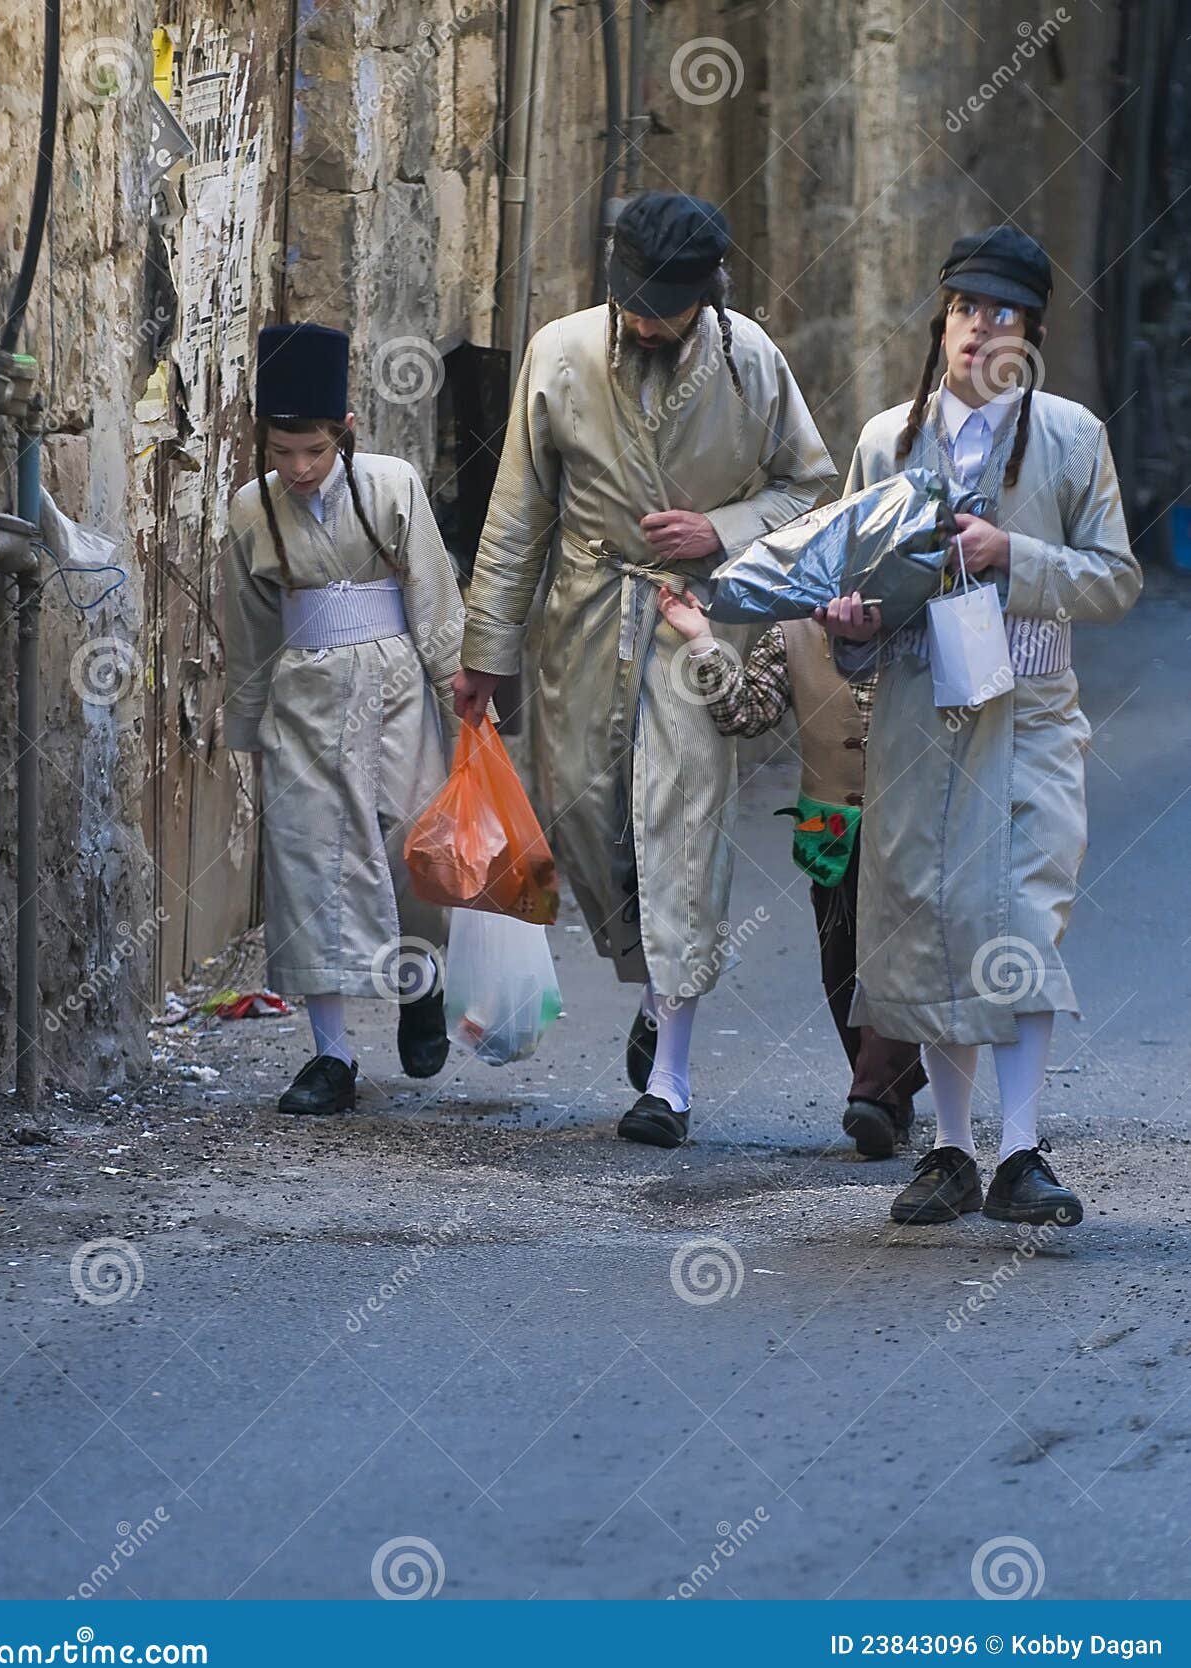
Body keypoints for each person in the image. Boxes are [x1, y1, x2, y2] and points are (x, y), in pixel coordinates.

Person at [453, 192, 834, 1148]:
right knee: (582, 816)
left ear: (707, 296)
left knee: (678, 822)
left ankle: (670, 1073)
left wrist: (721, 530)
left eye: (660, 306)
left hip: (697, 620)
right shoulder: (560, 352)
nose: (640, 320)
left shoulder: (754, 366)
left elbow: (807, 490)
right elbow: (516, 514)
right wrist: (484, 656)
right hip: (581, 616)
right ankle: (651, 978)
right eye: (630, 301)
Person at [818, 226, 1141, 1225]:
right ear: (941, 324)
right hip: (919, 715)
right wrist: (856, 626)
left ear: (1029, 333)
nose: (978, 329)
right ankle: (952, 1153)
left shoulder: (1073, 439)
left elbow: (1115, 577)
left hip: (1032, 713)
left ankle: (1022, 1149)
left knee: (1024, 920)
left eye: (999, 313)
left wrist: (1016, 554)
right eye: (964, 310)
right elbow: (846, 582)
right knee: (930, 930)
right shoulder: (885, 441)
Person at [223, 323, 464, 1115]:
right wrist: (249, 727)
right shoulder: (250, 512)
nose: (298, 468)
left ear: (344, 434)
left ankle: (419, 984)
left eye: (315, 451)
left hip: (394, 681)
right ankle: (331, 1054)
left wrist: (455, 693)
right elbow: (249, 631)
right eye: (283, 451)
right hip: (302, 694)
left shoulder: (392, 486)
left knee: (411, 844)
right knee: (307, 862)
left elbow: (430, 587)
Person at [658, 587, 926, 1158]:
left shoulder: (921, 620)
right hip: (827, 825)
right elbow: (744, 713)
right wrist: (701, 640)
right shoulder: (793, 632)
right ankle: (888, 1088)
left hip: (911, 819)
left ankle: (875, 1093)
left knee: (897, 952)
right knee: (841, 963)